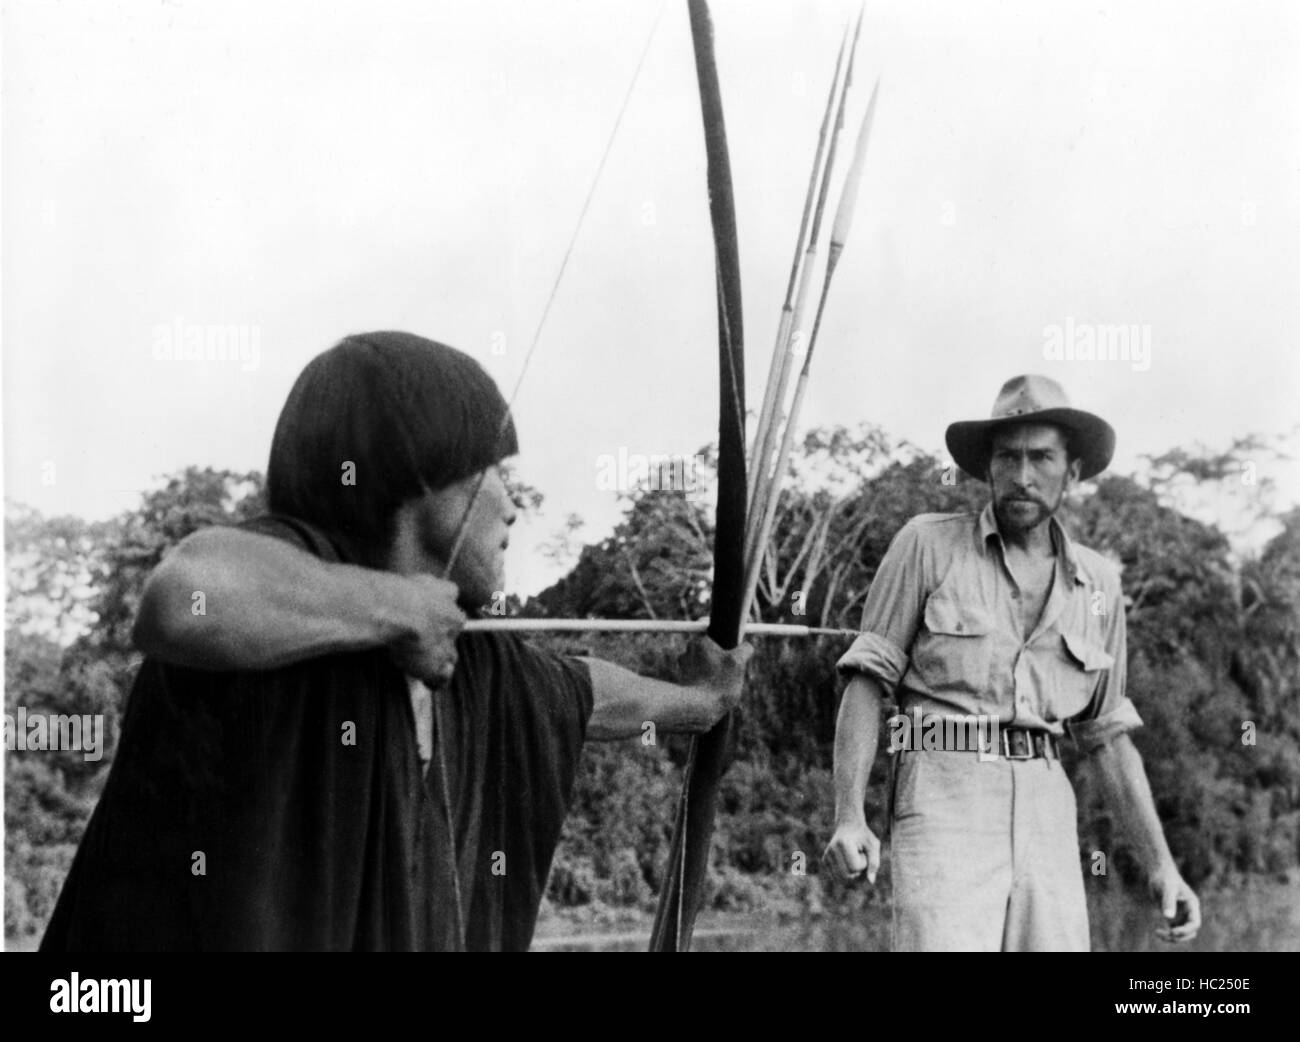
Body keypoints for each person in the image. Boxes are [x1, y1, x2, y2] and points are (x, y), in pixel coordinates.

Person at [42, 330, 749, 952]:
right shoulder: (288, 580)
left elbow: (585, 693)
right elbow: (179, 599)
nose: (513, 503)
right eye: (494, 471)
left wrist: (700, 703)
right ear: (423, 475)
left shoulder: (475, 663)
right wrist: (394, 607)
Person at [821, 374, 1201, 951]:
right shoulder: (926, 545)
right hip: (943, 792)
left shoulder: (1098, 583)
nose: (1023, 476)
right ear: (988, 467)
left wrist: (1161, 867)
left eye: (1042, 458)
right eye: (1008, 457)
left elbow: (1108, 737)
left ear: (1072, 471)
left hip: (1048, 802)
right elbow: (866, 681)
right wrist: (849, 815)